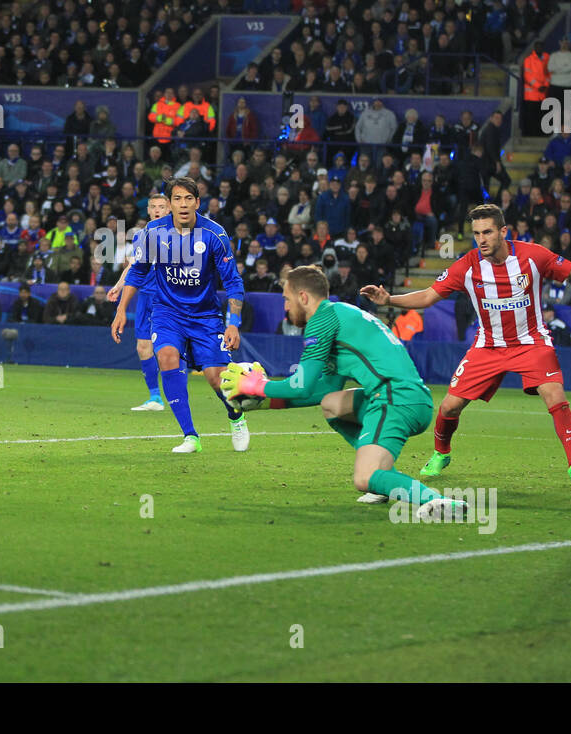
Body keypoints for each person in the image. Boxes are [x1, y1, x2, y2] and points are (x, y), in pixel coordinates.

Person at [361, 203, 571, 491]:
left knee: (555, 396)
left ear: (503, 231)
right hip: (488, 346)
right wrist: (389, 300)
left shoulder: (533, 256)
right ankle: (441, 453)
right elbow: (428, 296)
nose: (481, 240)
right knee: (450, 406)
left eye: (487, 232)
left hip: (531, 342)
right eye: (477, 233)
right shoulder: (466, 266)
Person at [221, 266, 464, 518]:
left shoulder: (321, 321)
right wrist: (265, 403)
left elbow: (299, 385)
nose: (285, 307)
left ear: (303, 297)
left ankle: (436, 500)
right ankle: (382, 479)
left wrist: (255, 385)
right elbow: (319, 391)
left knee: (364, 477)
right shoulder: (339, 314)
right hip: (409, 398)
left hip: (394, 399)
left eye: (286, 299)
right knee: (332, 404)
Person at [111, 177, 248, 454]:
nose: (183, 204)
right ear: (169, 203)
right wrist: (121, 309)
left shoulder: (215, 234)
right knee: (166, 357)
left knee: (215, 377)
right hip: (167, 312)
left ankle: (236, 417)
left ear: (197, 203)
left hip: (206, 315)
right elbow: (137, 272)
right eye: (177, 199)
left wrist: (233, 323)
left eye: (188, 199)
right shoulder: (153, 232)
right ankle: (190, 436)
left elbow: (233, 282)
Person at [108, 194, 170, 410]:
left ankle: (177, 394)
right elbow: (134, 267)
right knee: (143, 346)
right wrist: (118, 285)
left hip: (168, 298)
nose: (157, 210)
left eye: (162, 206)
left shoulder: (179, 234)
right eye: (153, 206)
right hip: (146, 296)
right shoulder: (141, 236)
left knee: (167, 349)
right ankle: (155, 398)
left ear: (169, 209)